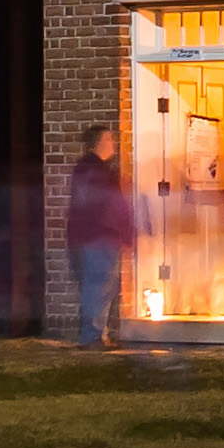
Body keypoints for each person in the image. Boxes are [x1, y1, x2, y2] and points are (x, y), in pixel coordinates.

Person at [68, 124, 135, 350]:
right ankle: (92, 337)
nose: (113, 143)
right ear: (99, 143)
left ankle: (96, 334)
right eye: (109, 139)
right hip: (100, 237)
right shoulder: (96, 171)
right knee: (99, 285)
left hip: (92, 236)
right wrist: (124, 231)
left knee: (97, 285)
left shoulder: (87, 169)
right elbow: (107, 206)